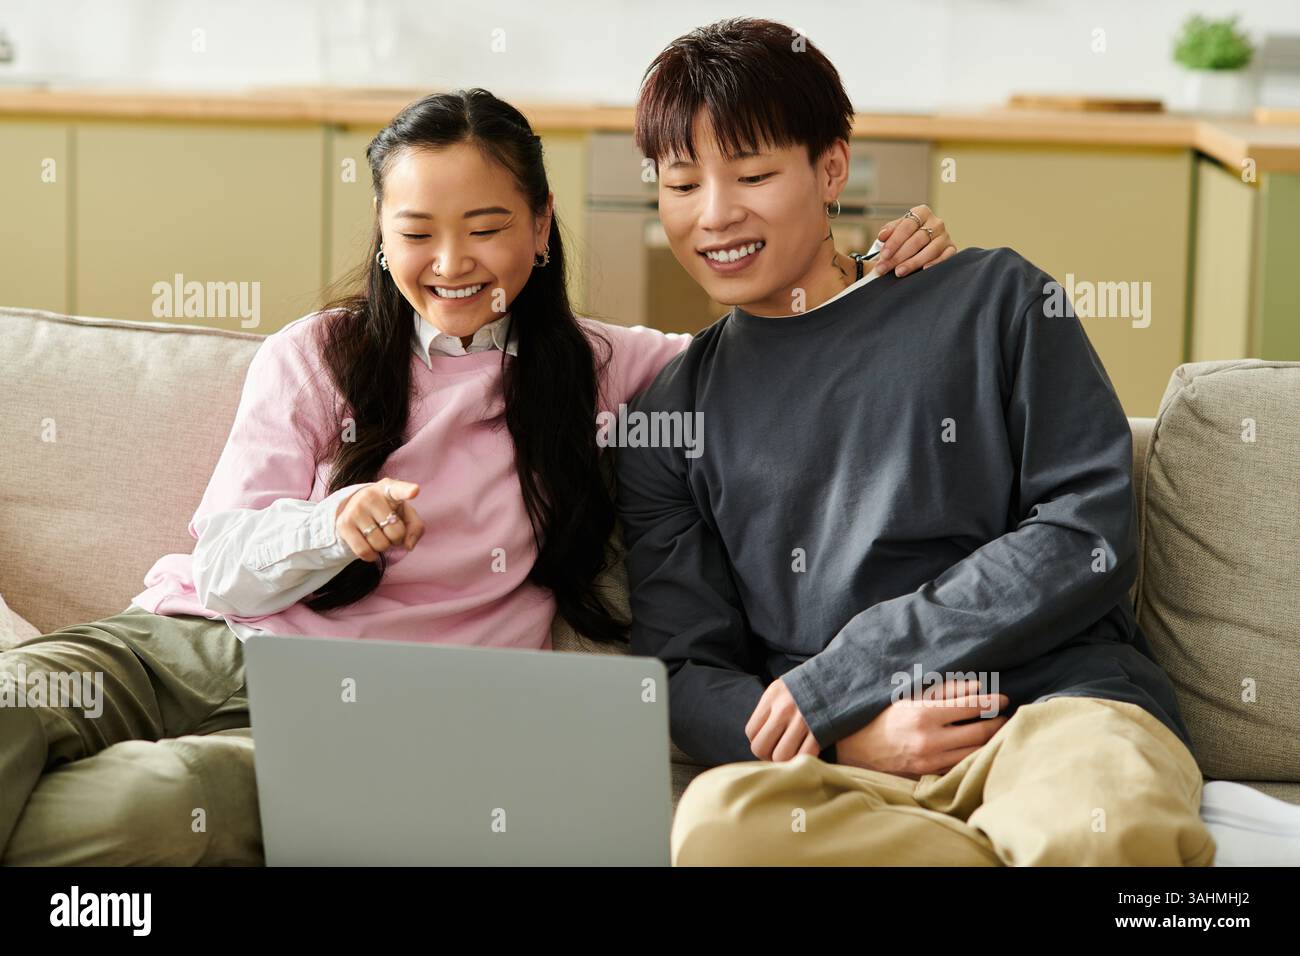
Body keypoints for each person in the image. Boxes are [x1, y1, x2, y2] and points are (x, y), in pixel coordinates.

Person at [0, 86, 957, 865]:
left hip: (348, 715)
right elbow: (222, 568)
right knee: (15, 705)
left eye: (487, 227)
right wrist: (331, 527)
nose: (452, 263)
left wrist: (868, 270)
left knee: (158, 807)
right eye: (417, 232)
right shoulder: (317, 353)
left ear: (542, 228)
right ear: (381, 234)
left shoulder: (609, 370)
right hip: (186, 646)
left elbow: (780, 356)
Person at [615, 18, 1218, 866]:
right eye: (681, 185)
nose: (715, 216)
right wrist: (842, 740)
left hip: (1054, 713)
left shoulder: (994, 299)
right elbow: (683, 669)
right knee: (721, 828)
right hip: (853, 765)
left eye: (752, 174)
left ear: (832, 168)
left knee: (1096, 828)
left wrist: (850, 672)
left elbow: (1086, 533)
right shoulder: (668, 421)